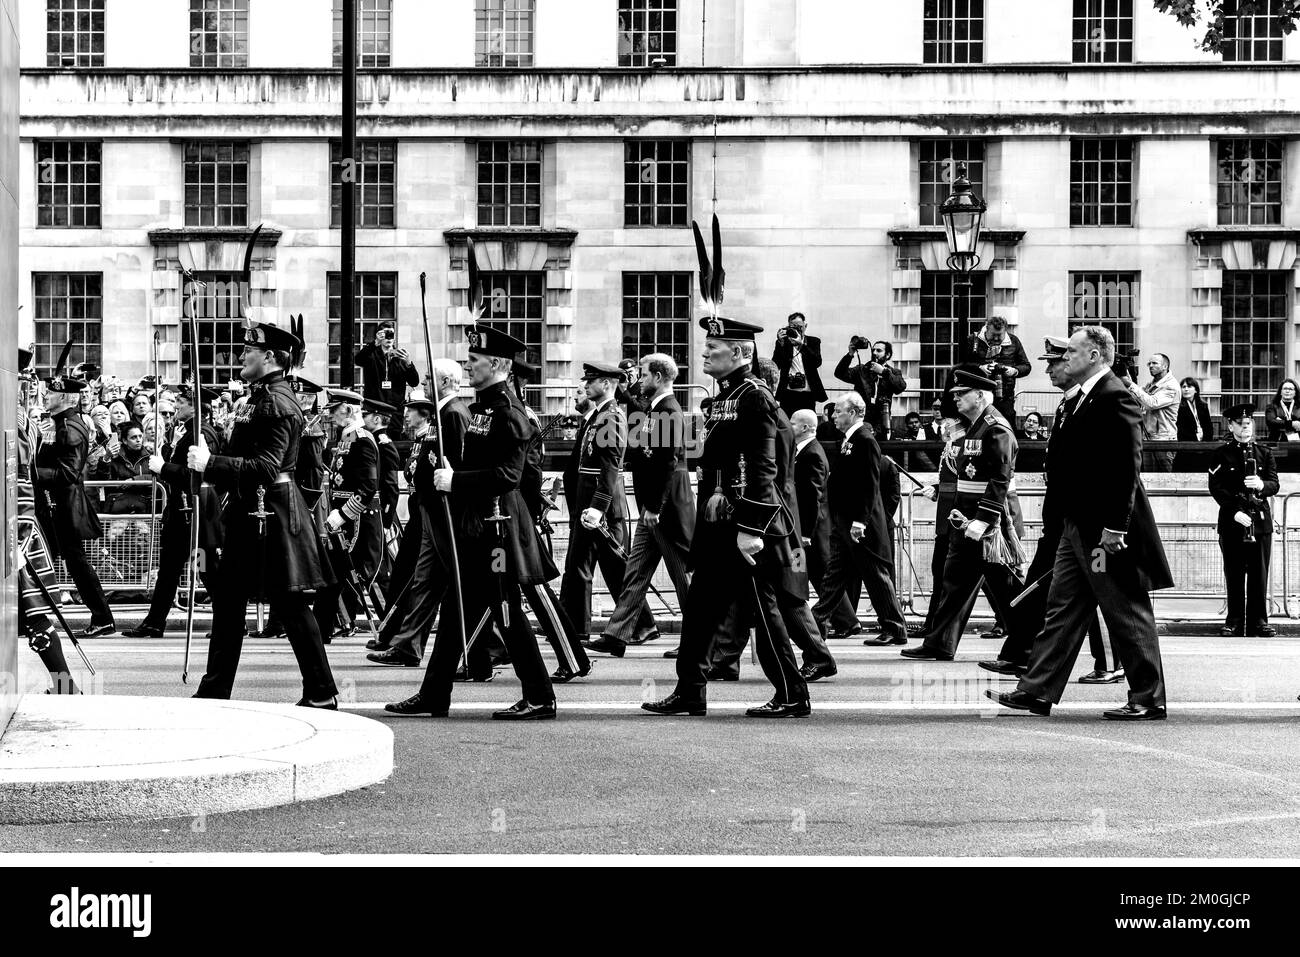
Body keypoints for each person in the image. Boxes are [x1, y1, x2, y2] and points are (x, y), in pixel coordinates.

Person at [986, 326, 1173, 720]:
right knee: (1063, 607)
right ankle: (1037, 690)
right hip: (1077, 527)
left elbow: (1127, 467)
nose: (1065, 357)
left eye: (1072, 351)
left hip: (1103, 532)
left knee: (1124, 606)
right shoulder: (1079, 400)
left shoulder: (1114, 395)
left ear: (1094, 356)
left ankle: (1148, 696)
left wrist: (1116, 526)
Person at [384, 324, 557, 720]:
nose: (469, 365)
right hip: (476, 524)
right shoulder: (480, 409)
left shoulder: (509, 412)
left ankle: (540, 696)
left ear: (497, 364)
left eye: (475, 360)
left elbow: (508, 476)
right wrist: (453, 469)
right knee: (456, 606)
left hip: (498, 527)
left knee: (506, 609)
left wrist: (455, 480)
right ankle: (434, 694)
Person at [642, 314, 811, 718]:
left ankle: (792, 693)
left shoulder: (755, 396)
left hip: (744, 524)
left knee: (763, 609)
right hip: (717, 521)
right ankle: (690, 691)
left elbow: (763, 467)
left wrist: (751, 528)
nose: (704, 353)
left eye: (713, 349)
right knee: (700, 608)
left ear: (737, 352)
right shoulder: (722, 397)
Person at [188, 321, 339, 708]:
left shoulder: (275, 401)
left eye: (248, 350)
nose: (240, 355)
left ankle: (321, 691)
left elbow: (266, 466)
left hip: (268, 513)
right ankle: (216, 688)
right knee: (229, 600)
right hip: (252, 511)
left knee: (288, 604)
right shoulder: (260, 397)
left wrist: (211, 462)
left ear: (269, 357)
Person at [980, 337, 1121, 684]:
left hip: (1091, 529)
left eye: (1056, 362)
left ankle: (1109, 661)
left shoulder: (1102, 401)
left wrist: (1113, 526)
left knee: (1100, 589)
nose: (1051, 369)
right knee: (1040, 589)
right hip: (1060, 523)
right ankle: (1022, 657)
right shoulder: (1066, 406)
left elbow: (1120, 469)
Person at [901, 371, 1023, 661]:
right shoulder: (976, 427)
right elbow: (965, 477)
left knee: (1005, 589)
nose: (954, 397)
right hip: (964, 521)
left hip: (983, 525)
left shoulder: (995, 428)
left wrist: (983, 519)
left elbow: (999, 478)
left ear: (979, 395)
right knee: (953, 583)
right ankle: (939, 643)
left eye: (961, 393)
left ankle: (1030, 643)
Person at [585, 353, 694, 659]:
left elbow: (667, 463)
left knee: (681, 575)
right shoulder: (654, 409)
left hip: (664, 510)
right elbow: (645, 452)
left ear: (659, 378)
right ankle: (616, 634)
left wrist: (655, 507)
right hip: (652, 506)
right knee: (635, 572)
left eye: (644, 375)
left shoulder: (668, 410)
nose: (640, 380)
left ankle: (698, 638)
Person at [367, 362, 470, 667]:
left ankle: (490, 644)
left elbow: (458, 464)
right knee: (424, 582)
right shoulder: (443, 415)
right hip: (430, 511)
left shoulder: (452, 414)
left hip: (445, 513)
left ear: (447, 381)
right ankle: (407, 646)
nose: (423, 381)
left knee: (462, 585)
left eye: (429, 377)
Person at [559, 361, 653, 657]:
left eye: (592, 380)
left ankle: (641, 625)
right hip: (588, 503)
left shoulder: (611, 417)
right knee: (580, 566)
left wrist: (598, 507)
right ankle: (575, 628)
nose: (586, 384)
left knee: (617, 568)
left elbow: (610, 465)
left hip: (601, 506)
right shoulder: (598, 416)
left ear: (608, 384)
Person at [123, 385, 224, 639]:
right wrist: (168, 454)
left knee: (206, 566)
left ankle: (229, 620)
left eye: (181, 401)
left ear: (195, 405)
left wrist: (163, 467)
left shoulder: (201, 434)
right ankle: (155, 622)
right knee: (170, 567)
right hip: (183, 509)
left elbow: (196, 474)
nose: (176, 404)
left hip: (195, 508)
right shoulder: (188, 432)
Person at [812, 392, 908, 647]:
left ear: (853, 413)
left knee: (876, 576)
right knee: (834, 574)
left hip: (859, 524)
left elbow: (869, 484)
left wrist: (860, 521)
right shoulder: (850, 439)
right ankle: (816, 620)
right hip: (845, 521)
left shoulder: (865, 439)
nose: (833, 416)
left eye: (838, 411)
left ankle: (895, 627)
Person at [33, 366, 115, 638]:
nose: (46, 395)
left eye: (53, 392)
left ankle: (102, 618)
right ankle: (100, 618)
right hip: (55, 505)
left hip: (63, 506)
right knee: (54, 561)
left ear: (67, 398)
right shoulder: (60, 424)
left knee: (73, 563)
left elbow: (68, 473)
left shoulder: (69, 427)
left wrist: (31, 472)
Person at [312, 389, 384, 642]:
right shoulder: (346, 438)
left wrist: (343, 514)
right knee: (331, 577)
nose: (330, 416)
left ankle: (387, 630)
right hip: (342, 520)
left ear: (350, 410)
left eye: (335, 410)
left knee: (368, 577)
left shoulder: (362, 439)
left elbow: (368, 487)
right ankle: (320, 631)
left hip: (357, 521)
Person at [1209, 404, 1278, 639]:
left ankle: (1259, 621)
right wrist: (1232, 512)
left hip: (1259, 522)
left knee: (1259, 575)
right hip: (1233, 522)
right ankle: (1234, 621)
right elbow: (1216, 488)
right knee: (1235, 573)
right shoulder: (1221, 453)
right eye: (1240, 422)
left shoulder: (1264, 453)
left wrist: (1261, 485)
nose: (1245, 425)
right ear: (1231, 425)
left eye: (1248, 422)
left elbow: (1274, 484)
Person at [354, 323, 420, 440]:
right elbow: (358, 360)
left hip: (394, 413)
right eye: (386, 334)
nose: (389, 338)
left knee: (393, 443)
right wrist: (375, 343)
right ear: (380, 335)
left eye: (391, 334)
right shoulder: (371, 354)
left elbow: (414, 382)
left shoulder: (400, 357)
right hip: (375, 411)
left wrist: (409, 364)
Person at [960, 315, 1030, 423]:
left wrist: (1014, 371)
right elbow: (961, 367)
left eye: (999, 335)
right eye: (993, 335)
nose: (996, 339)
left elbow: (1026, 366)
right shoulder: (972, 341)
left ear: (1005, 331)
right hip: (978, 399)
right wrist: (979, 368)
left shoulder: (1014, 341)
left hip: (1005, 399)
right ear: (986, 329)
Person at [834, 339, 906, 439]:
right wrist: (850, 354)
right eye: (873, 350)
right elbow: (839, 373)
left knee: (880, 448)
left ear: (888, 355)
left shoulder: (893, 372)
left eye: (879, 351)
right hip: (861, 418)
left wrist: (884, 372)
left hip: (882, 419)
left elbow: (901, 387)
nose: (874, 353)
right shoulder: (861, 370)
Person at [1122, 352, 1178, 472]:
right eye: (1149, 363)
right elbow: (1138, 398)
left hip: (1164, 440)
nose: (1150, 366)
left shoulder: (1171, 386)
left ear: (1165, 366)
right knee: (1149, 477)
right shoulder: (1152, 384)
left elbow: (1152, 403)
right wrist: (1127, 378)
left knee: (1165, 479)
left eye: (1155, 363)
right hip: (1149, 438)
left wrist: (1130, 384)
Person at [772, 311, 828, 417]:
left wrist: (801, 345)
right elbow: (776, 365)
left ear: (805, 326)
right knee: (787, 423)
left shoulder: (813, 341)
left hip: (808, 393)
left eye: (800, 327)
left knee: (808, 423)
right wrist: (781, 344)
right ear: (788, 327)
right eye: (794, 327)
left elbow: (817, 362)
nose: (797, 329)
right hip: (788, 393)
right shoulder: (783, 343)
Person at [1174, 376, 1215, 472]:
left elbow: (1208, 427)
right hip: (1186, 447)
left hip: (1203, 446)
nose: (1186, 389)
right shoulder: (1179, 407)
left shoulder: (1203, 406)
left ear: (1196, 390)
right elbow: (1180, 428)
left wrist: (1205, 443)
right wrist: (1194, 439)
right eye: (1183, 387)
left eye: (1189, 386)